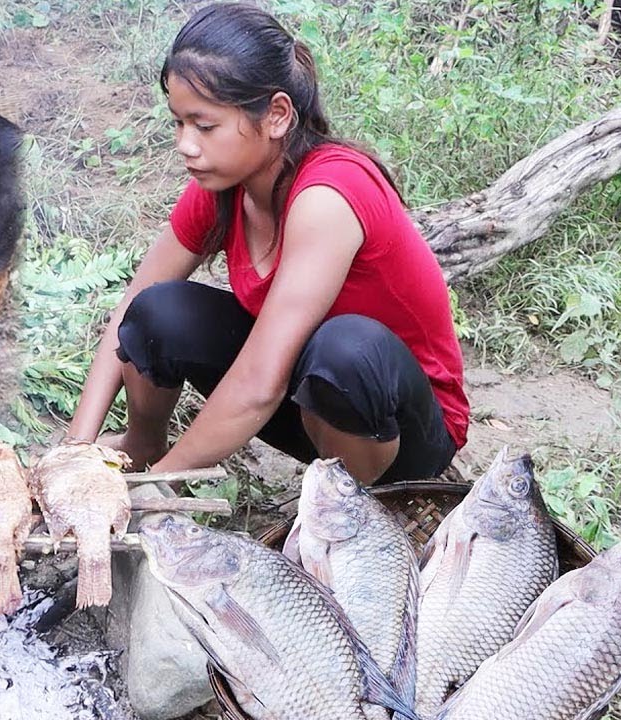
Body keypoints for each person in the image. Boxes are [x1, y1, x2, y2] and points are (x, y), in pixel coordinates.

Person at [66, 2, 469, 487]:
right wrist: (74, 450)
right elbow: (129, 309)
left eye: (205, 126)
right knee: (156, 311)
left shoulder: (329, 196)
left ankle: (351, 504)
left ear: (277, 115)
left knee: (345, 351)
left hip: (401, 428)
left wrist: (157, 489)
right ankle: (141, 447)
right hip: (304, 399)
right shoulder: (223, 185)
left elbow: (261, 384)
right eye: (178, 122)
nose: (185, 145)